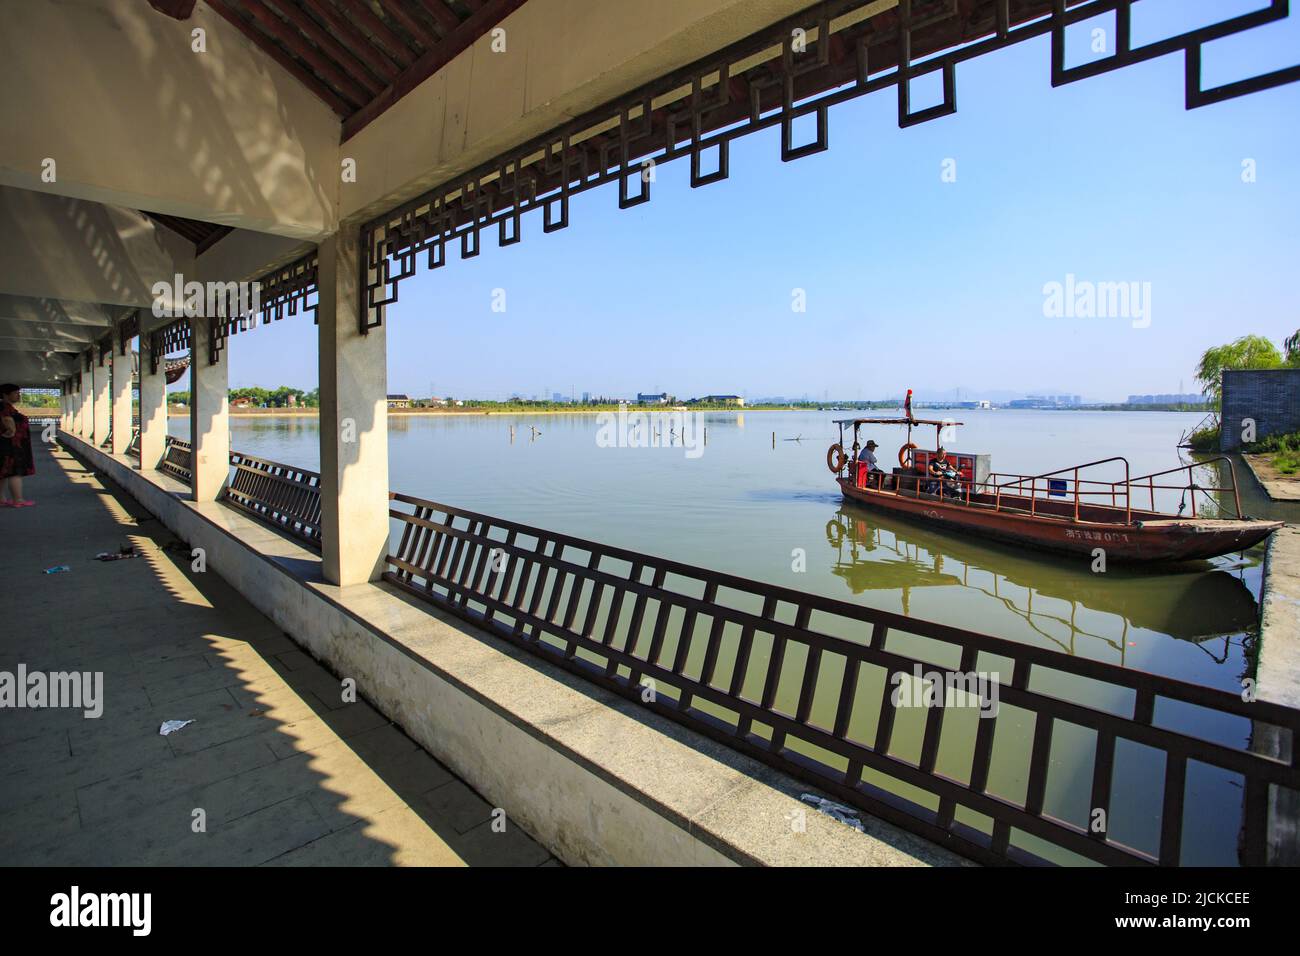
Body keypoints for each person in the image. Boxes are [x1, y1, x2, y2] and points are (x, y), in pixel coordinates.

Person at [0, 384, 36, 507]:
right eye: (15, 393)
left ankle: (1, 498)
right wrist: (11, 433)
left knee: (3, 472)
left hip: (6, 445)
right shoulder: (5, 408)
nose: (18, 395)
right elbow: (9, 425)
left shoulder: (4, 407)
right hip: (11, 446)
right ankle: (18, 500)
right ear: (5, 394)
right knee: (14, 473)